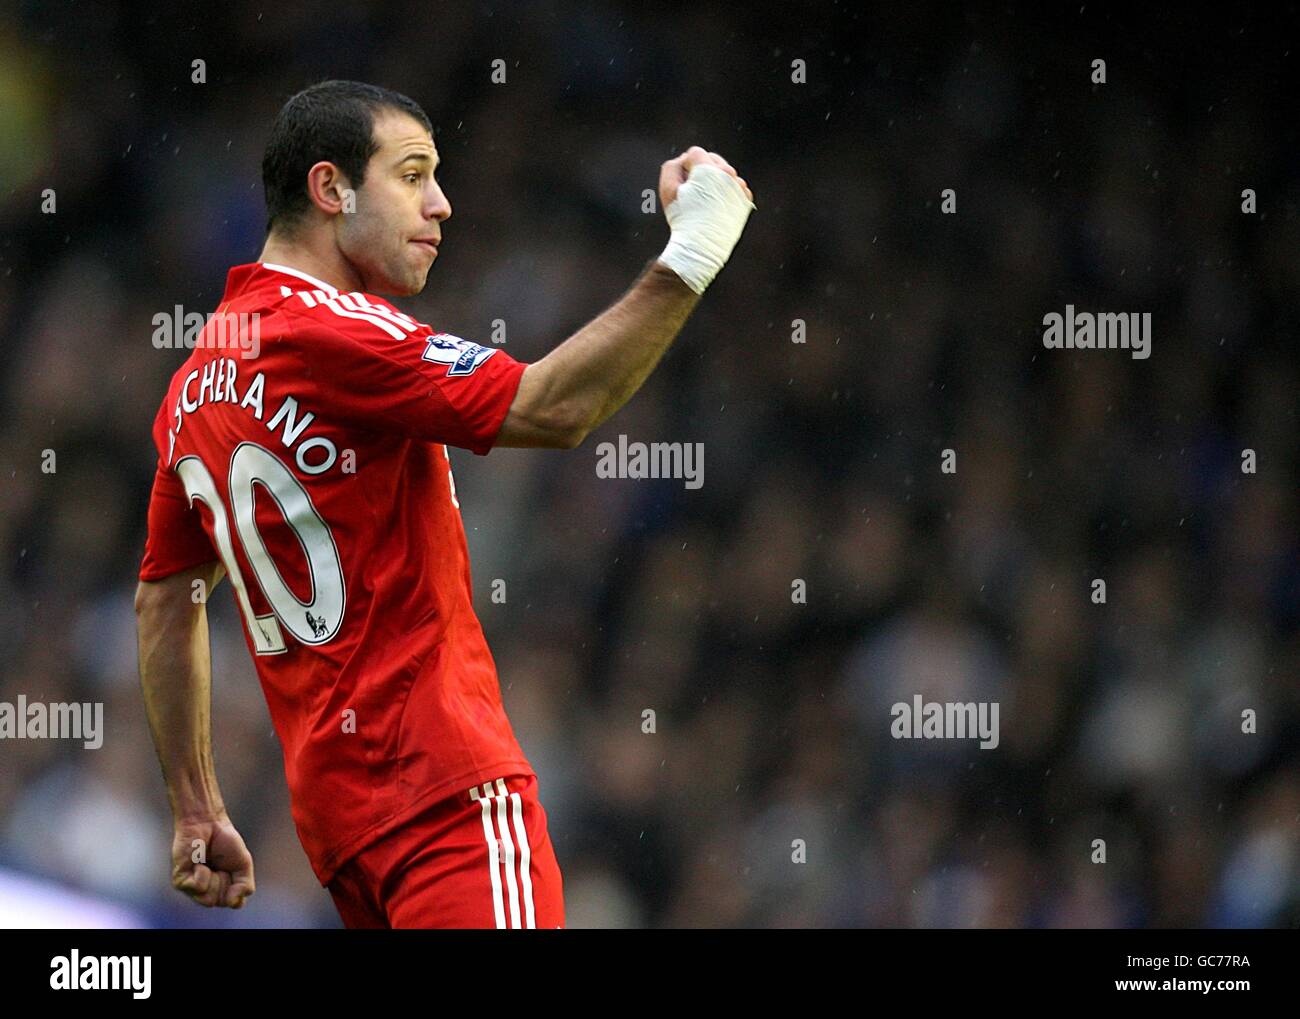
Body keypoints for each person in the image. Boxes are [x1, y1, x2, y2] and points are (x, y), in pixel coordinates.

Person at [134, 79, 755, 928]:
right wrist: (697, 247)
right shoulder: (339, 329)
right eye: (413, 174)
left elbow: (165, 602)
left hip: (348, 837)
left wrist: (197, 808)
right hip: (447, 801)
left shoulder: (192, 386)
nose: (442, 204)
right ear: (331, 189)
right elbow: (553, 407)